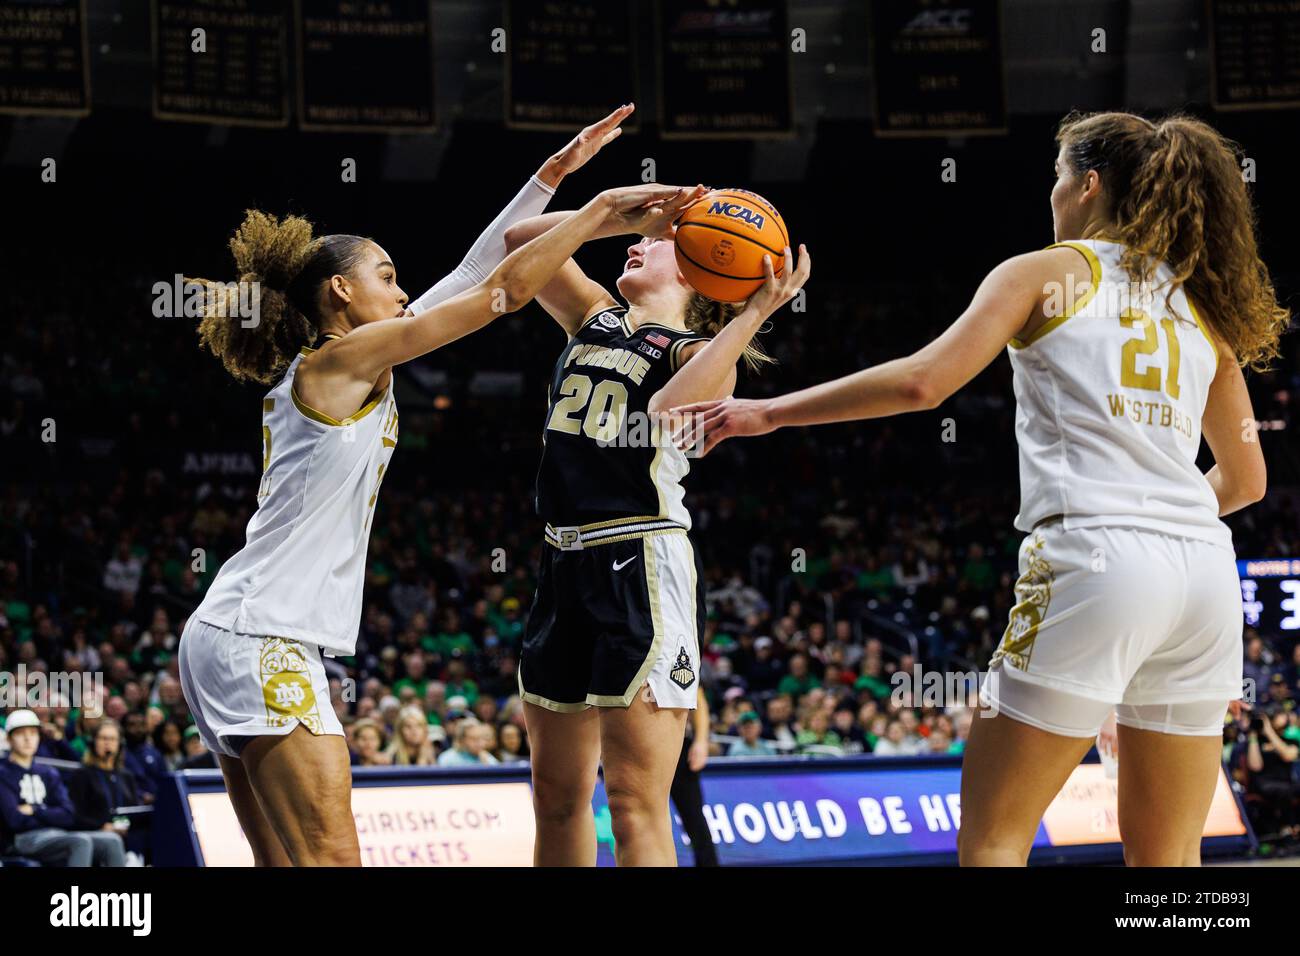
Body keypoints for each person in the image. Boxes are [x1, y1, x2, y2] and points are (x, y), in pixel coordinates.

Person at [681, 111, 1288, 866]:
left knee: (993, 841)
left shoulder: (1042, 272)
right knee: (1170, 860)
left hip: (1098, 557)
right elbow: (1248, 479)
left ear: (1088, 184)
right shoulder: (1201, 305)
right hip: (1204, 576)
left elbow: (923, 383)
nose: (1055, 193)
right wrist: (1165, 520)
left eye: (1059, 177)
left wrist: (765, 411)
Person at [176, 102, 697, 865]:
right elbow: (499, 296)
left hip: (233, 633)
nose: (402, 288)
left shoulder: (354, 360)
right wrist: (591, 217)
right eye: (385, 276)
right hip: (264, 637)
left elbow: (474, 271)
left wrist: (552, 175)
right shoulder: (335, 363)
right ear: (341, 295)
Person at [504, 188, 810, 866]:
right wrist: (616, 212)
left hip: (638, 561)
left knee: (637, 802)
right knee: (556, 797)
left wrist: (756, 310)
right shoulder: (594, 316)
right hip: (562, 568)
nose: (637, 243)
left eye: (665, 240)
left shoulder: (693, 351)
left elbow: (680, 403)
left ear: (704, 264)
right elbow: (522, 240)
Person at [0, 709, 125, 866]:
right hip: (21, 839)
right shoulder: (3, 773)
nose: (27, 739)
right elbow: (14, 820)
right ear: (9, 739)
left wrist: (35, 810)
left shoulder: (48, 772)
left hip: (55, 833)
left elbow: (68, 814)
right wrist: (51, 815)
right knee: (80, 841)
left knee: (112, 841)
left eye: (33, 733)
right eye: (20, 733)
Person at [67, 719, 142, 858]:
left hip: (126, 835)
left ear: (120, 744)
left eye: (113, 739)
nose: (108, 742)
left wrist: (126, 826)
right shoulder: (82, 774)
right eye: (103, 738)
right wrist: (102, 826)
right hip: (95, 835)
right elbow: (75, 815)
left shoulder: (126, 776)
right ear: (93, 742)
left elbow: (134, 810)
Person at [669, 686, 717, 866]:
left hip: (680, 746)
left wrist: (701, 740)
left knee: (695, 820)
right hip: (638, 746)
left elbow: (697, 694)